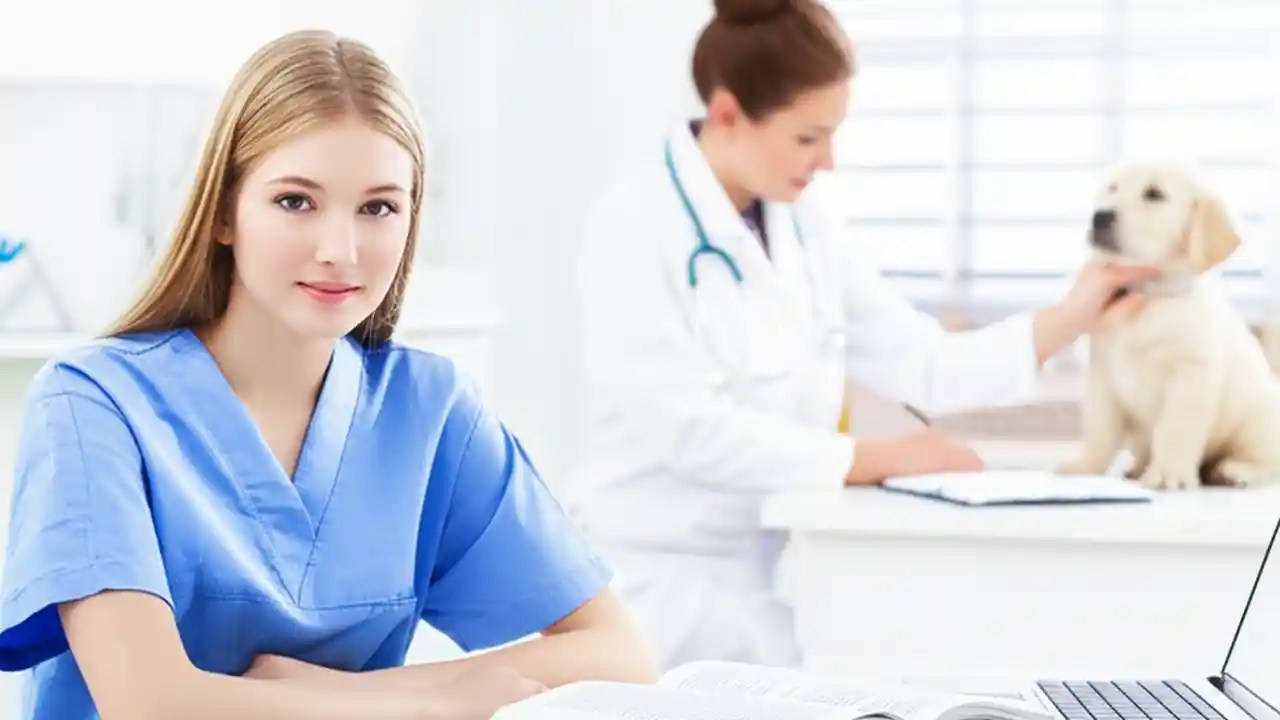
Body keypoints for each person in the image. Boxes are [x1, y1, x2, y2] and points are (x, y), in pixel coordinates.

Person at [0, 29, 656, 720]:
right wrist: (440, 705)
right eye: (295, 201)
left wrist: (347, 693)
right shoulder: (94, 403)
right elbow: (152, 701)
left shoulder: (429, 411)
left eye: (378, 207)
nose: (340, 251)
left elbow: (618, 655)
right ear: (223, 210)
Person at [571, 0, 1157, 671]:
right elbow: (683, 427)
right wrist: (877, 458)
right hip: (656, 586)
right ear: (729, 114)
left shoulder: (805, 227)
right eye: (807, 138)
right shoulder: (634, 224)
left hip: (770, 577)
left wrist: (1074, 315)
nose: (828, 162)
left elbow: (922, 362)